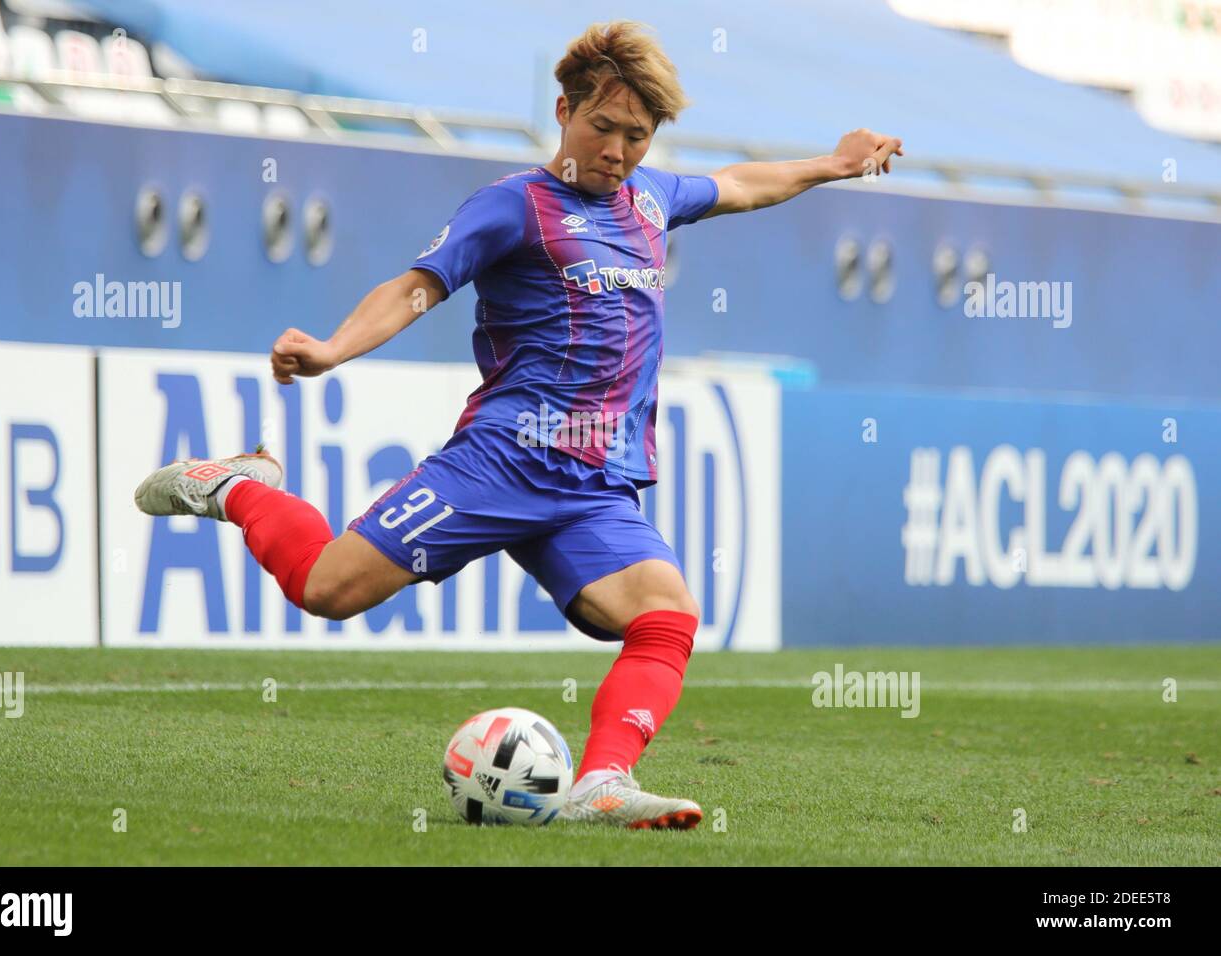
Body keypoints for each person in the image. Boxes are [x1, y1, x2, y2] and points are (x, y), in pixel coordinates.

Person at [135, 19, 902, 829]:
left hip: (592, 487)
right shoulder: (514, 206)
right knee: (326, 589)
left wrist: (833, 165)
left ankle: (603, 782)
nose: (616, 150)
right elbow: (414, 287)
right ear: (565, 109)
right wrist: (331, 350)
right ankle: (241, 488)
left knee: (666, 614)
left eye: (635, 136)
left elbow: (742, 184)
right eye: (602, 128)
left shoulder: (652, 198)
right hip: (497, 466)